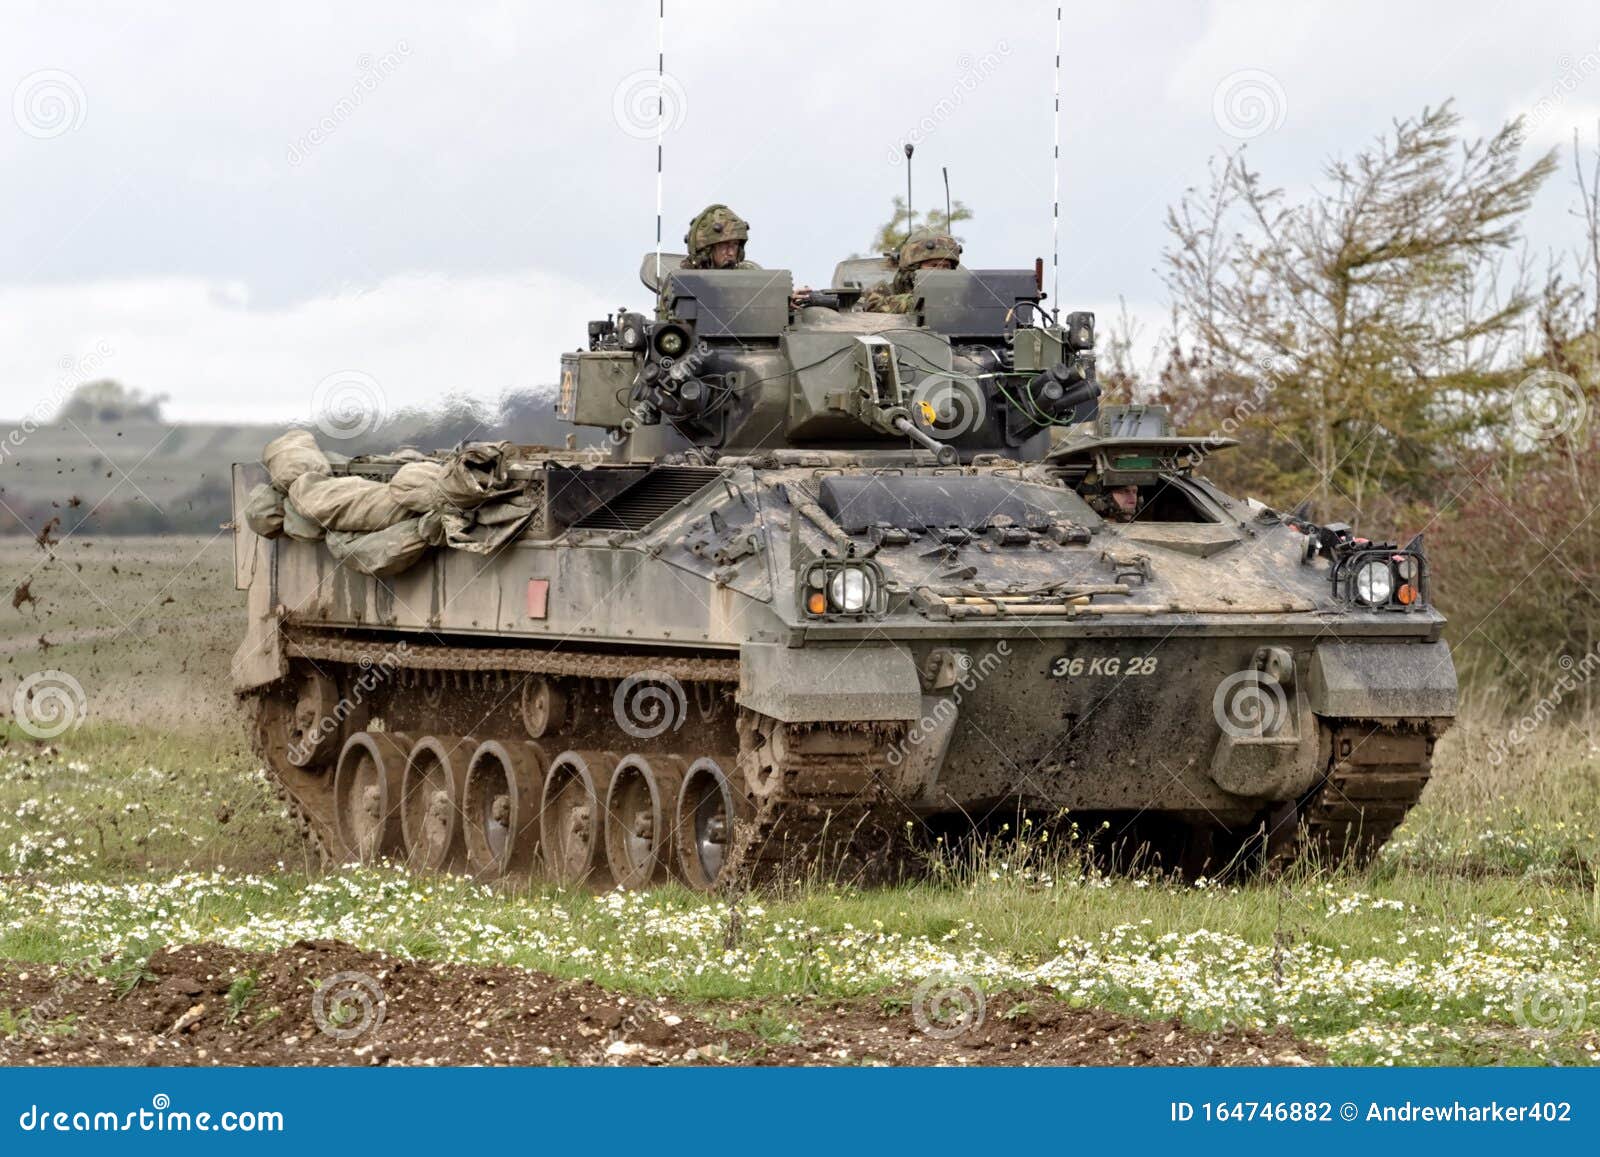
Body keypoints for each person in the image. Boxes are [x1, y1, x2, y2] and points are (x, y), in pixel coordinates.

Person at [857, 227, 963, 314]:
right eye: (933, 266)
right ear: (912, 269)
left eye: (946, 266)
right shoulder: (882, 293)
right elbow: (872, 307)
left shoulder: (960, 295)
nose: (940, 272)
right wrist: (915, 303)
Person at [681, 204, 757, 270]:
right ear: (707, 251)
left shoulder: (748, 277)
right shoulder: (682, 280)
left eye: (735, 244)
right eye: (724, 244)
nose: (731, 252)